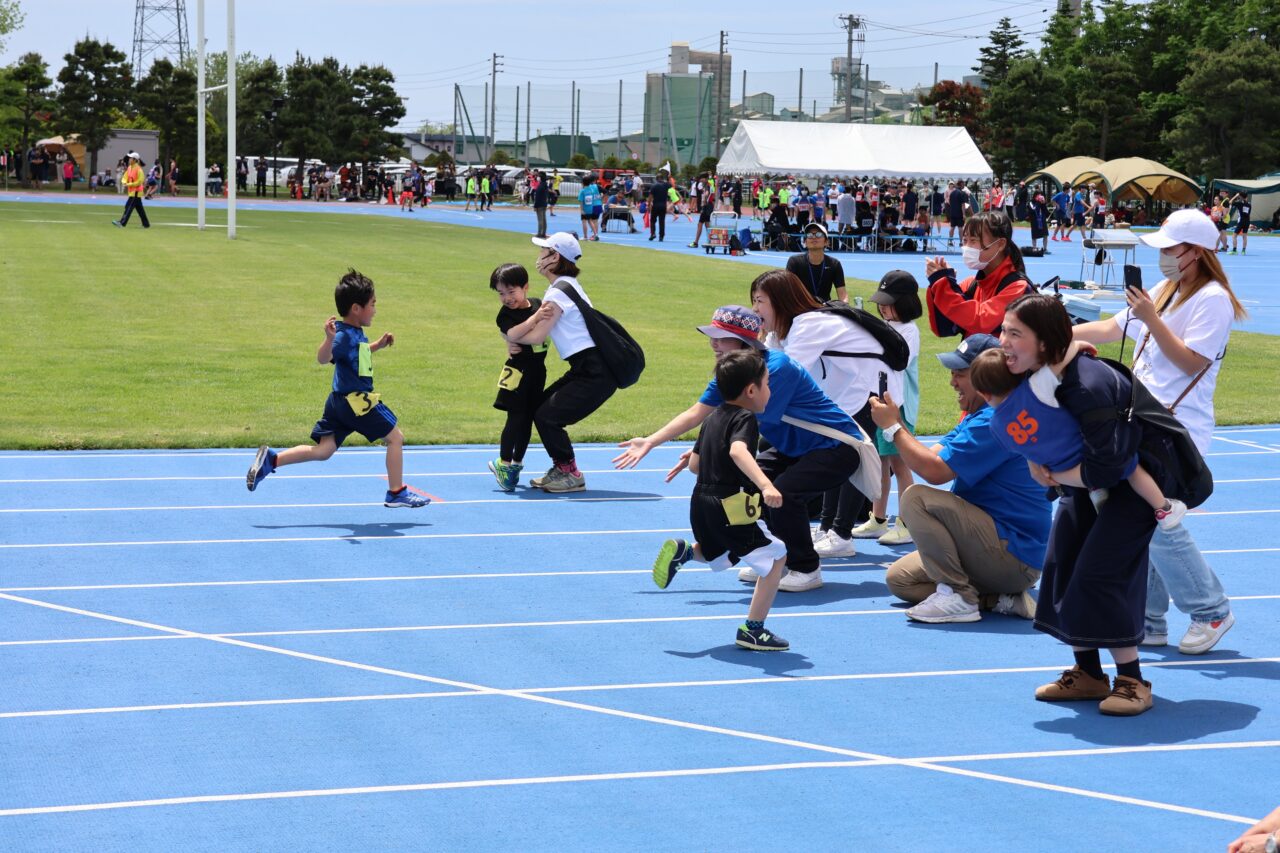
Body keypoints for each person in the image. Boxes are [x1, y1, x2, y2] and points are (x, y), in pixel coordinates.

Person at [1071, 208, 1247, 655]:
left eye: (1172, 249)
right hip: (1144, 421)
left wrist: (1152, 318)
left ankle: (1211, 609)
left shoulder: (1213, 299)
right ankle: (1149, 618)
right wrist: (1059, 334)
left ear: (1196, 252)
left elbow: (1192, 361)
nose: (1164, 256)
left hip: (1177, 428)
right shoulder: (1166, 289)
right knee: (1141, 521)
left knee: (1155, 519)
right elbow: (1113, 327)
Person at [614, 293, 865, 594]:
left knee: (783, 493)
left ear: (746, 341)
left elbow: (740, 422)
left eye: (722, 338)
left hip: (835, 447)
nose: (714, 344)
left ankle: (806, 568)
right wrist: (652, 441)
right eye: (712, 337)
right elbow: (698, 413)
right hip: (794, 448)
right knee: (746, 488)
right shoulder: (733, 372)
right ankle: (767, 558)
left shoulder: (775, 369)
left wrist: (706, 448)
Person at [997, 294, 1173, 715]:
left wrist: (1054, 475)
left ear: (1045, 342)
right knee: (1062, 565)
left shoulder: (1088, 385)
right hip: (1085, 482)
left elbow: (1110, 464)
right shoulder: (1036, 370)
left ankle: (1132, 680)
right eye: (1004, 330)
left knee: (1100, 574)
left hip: (1133, 483)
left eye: (1015, 333)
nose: (1003, 341)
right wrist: (1034, 459)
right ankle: (1089, 674)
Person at [870, 334, 1050, 623]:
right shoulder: (981, 415)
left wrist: (893, 428)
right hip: (997, 545)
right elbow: (930, 455)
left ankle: (960, 596)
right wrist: (897, 423)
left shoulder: (994, 420)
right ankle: (998, 599)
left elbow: (934, 472)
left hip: (1013, 553)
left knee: (917, 499)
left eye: (960, 374)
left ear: (987, 374)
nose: (953, 382)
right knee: (900, 579)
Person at [246, 269, 431, 509]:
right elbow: (324, 359)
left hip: (338, 402)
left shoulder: (355, 333)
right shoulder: (342, 336)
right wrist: (328, 338)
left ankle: (272, 460)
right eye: (372, 304)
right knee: (396, 438)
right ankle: (396, 492)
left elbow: (358, 354)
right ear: (356, 308)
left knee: (324, 451)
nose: (375, 309)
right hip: (356, 402)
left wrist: (378, 345)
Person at [652, 348, 791, 651]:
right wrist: (766, 485)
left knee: (723, 554)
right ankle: (754, 629)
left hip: (701, 501)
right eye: (767, 384)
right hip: (729, 505)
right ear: (751, 390)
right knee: (777, 555)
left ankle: (686, 552)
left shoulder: (713, 417)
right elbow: (738, 452)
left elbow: (694, 465)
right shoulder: (746, 419)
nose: (770, 390)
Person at [969, 347, 1188, 529]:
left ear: (984, 394)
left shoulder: (996, 426)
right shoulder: (1035, 388)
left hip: (1060, 470)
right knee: (1131, 467)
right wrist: (1079, 344)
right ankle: (1163, 508)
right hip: (1086, 450)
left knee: (1096, 482)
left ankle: (1098, 493)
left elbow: (1017, 448)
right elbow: (1061, 360)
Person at [504, 232, 619, 492]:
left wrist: (511, 336)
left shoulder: (558, 293)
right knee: (542, 410)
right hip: (586, 367)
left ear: (555, 257)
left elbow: (536, 336)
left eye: (543, 251)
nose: (539, 257)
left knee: (547, 415)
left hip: (594, 370)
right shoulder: (564, 286)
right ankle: (562, 468)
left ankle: (570, 473)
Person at [850, 271, 922, 546]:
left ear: (905, 303)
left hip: (898, 406)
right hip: (881, 404)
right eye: (880, 302)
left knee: (900, 465)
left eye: (888, 302)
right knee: (881, 463)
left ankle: (907, 522)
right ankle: (878, 519)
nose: (881, 307)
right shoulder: (886, 325)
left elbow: (897, 360)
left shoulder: (909, 331)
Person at [487, 263, 548, 492]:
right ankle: (503, 462)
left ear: (526, 287)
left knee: (528, 419)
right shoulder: (505, 315)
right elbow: (513, 333)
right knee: (515, 417)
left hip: (537, 372)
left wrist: (539, 314)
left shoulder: (539, 304)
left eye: (511, 292)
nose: (506, 298)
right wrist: (535, 319)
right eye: (501, 293)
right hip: (517, 372)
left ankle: (516, 465)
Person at [925, 210, 1031, 339]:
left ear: (1000, 244)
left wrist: (943, 285)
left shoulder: (1018, 288)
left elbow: (981, 321)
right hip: (972, 358)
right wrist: (938, 284)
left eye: (973, 240)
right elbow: (944, 328)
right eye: (965, 240)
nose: (967, 247)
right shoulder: (972, 284)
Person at [784, 223, 848, 303]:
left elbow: (843, 295)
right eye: (810, 235)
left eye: (818, 234)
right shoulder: (794, 262)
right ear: (805, 242)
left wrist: (844, 307)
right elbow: (786, 291)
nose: (814, 237)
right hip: (802, 309)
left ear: (826, 242)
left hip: (825, 309)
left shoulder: (834, 264)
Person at [112, 152, 150, 229]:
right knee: (139, 209)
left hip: (136, 192)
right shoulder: (129, 168)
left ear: (135, 160)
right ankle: (146, 224)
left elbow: (140, 181)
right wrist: (124, 182)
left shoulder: (139, 169)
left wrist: (129, 184)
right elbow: (125, 177)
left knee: (129, 207)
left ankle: (122, 223)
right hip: (132, 192)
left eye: (130, 158)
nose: (129, 159)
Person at [577, 174, 602, 242]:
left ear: (583, 183)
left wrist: (582, 210)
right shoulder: (591, 190)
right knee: (590, 221)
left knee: (584, 222)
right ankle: (596, 234)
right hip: (590, 208)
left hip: (585, 209)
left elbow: (581, 201)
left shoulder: (582, 191)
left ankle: (585, 236)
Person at [648, 171, 671, 242]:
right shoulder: (666, 185)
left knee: (652, 220)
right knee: (662, 221)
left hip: (655, 205)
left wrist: (649, 205)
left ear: (656, 179)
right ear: (662, 178)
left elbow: (650, 197)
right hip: (663, 205)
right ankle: (661, 236)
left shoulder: (654, 186)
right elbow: (671, 190)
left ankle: (653, 233)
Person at [531, 171, 549, 238]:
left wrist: (535, 206)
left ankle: (539, 233)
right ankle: (543, 233)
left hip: (540, 204)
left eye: (538, 176)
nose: (537, 177)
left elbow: (537, 196)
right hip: (544, 203)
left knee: (540, 220)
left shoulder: (541, 185)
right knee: (544, 219)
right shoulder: (545, 184)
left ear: (540, 177)